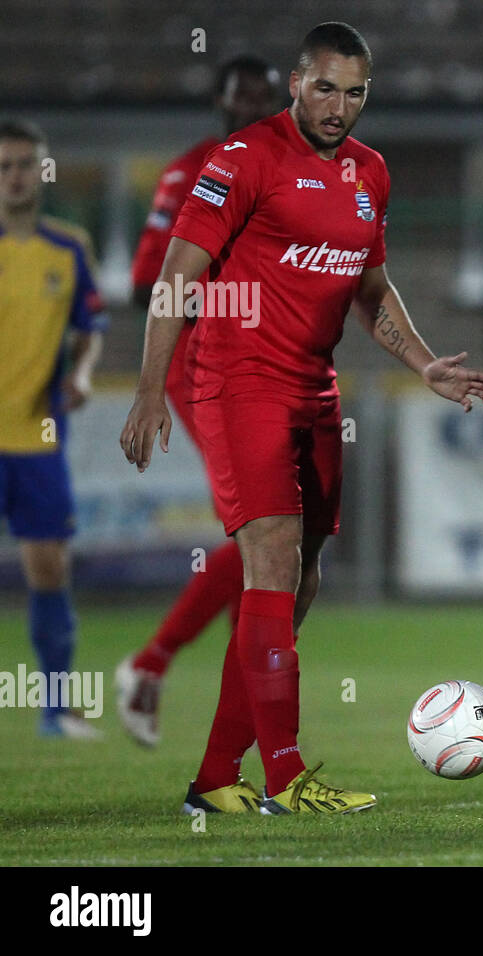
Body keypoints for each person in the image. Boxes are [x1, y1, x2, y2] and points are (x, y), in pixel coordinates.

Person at [119, 22, 483, 815]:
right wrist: (151, 390)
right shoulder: (245, 160)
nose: (339, 105)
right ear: (297, 83)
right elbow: (176, 278)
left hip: (314, 391)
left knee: (299, 581)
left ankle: (217, 776)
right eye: (325, 86)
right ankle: (287, 779)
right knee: (274, 558)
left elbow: (371, 288)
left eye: (355, 91)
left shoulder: (370, 172)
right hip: (238, 384)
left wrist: (423, 361)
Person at [116, 54, 280, 748]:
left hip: (272, 368)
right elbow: (145, 283)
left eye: (262, 101)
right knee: (264, 534)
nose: (249, 111)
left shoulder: (290, 170)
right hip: (203, 366)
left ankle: (157, 668)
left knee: (273, 542)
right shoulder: (192, 174)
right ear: (220, 102)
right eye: (239, 100)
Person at [0, 120, 108, 739]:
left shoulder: (68, 249)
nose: (17, 176)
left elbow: (91, 327)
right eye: (6, 165)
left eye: (26, 165)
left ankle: (56, 710)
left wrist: (86, 374)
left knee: (48, 568)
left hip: (39, 437)